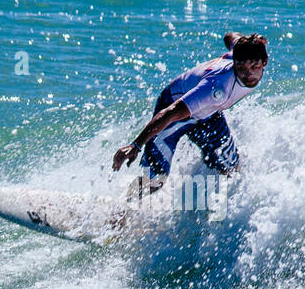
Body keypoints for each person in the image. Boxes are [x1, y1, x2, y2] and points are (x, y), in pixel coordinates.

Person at [111, 32, 268, 193]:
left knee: (231, 167)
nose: (248, 74)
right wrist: (136, 145)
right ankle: (121, 213)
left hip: (208, 113)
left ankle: (212, 208)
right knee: (154, 181)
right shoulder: (217, 87)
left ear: (264, 62)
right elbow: (171, 113)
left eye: (254, 67)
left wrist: (255, 40)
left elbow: (230, 37)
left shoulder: (242, 51)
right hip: (173, 108)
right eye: (241, 68)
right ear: (235, 63)